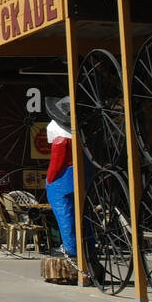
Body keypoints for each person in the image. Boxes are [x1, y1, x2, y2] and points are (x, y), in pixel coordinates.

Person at [45, 97, 102, 277]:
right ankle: (88, 247)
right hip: (82, 175)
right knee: (84, 215)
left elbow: (56, 162)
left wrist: (50, 179)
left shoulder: (60, 137)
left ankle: (71, 248)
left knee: (65, 214)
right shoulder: (80, 137)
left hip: (63, 178)